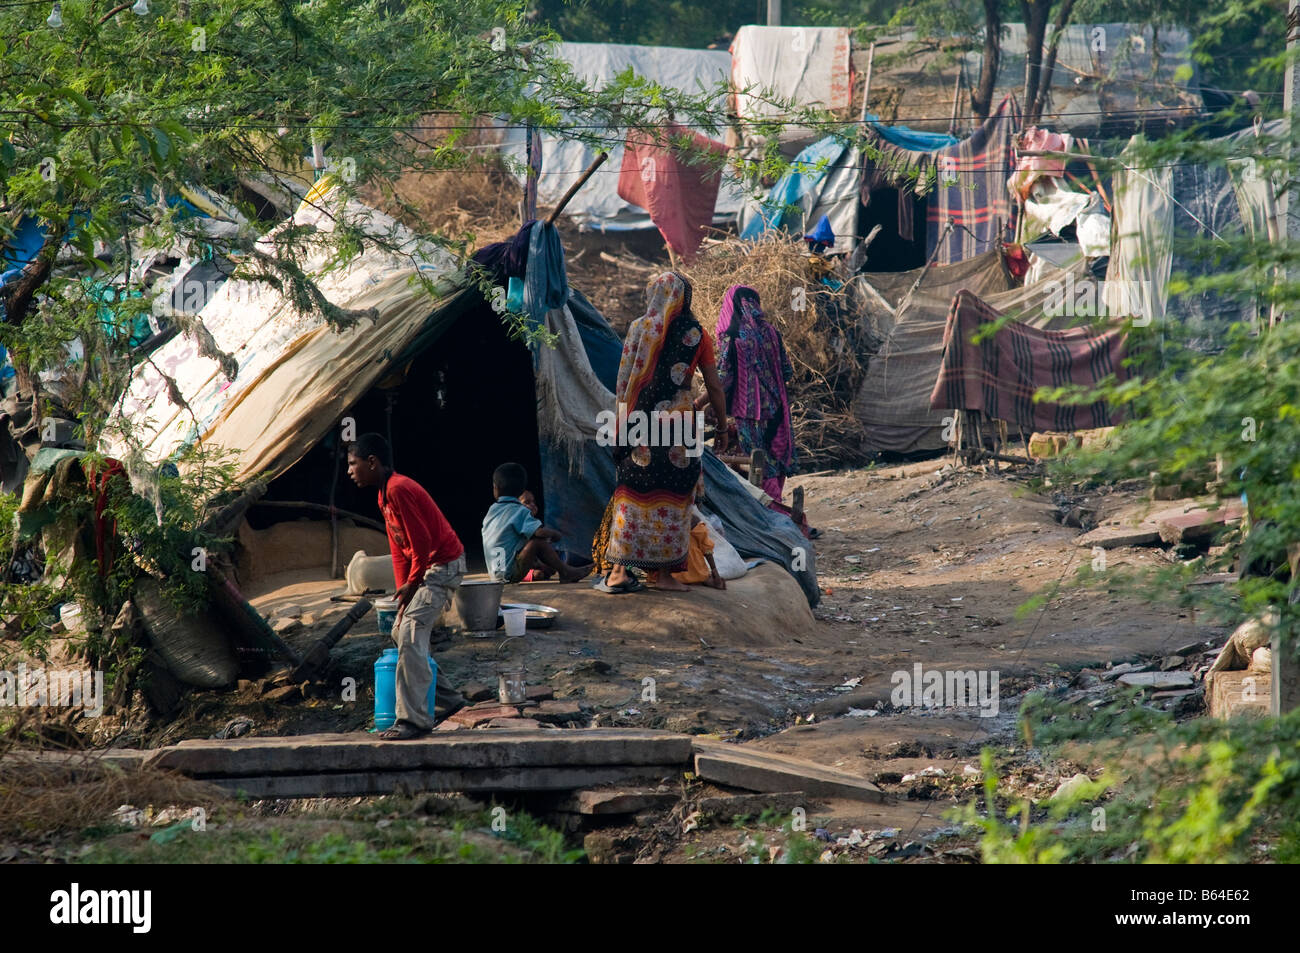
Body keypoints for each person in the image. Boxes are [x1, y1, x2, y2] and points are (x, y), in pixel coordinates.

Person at [596, 271, 730, 593]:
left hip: (638, 424)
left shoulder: (638, 329)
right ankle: (664, 576)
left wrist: (622, 425)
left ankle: (618, 571)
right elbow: (714, 385)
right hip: (678, 425)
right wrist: (722, 427)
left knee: (632, 491)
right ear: (686, 297)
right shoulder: (698, 335)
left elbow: (625, 382)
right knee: (674, 494)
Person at [347, 433, 466, 740]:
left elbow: (423, 541)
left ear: (372, 462)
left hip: (443, 566)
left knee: (411, 631)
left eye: (353, 463)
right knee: (400, 630)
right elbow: (400, 549)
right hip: (427, 567)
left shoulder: (399, 489)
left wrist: (413, 582)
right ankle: (449, 699)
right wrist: (404, 591)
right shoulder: (383, 495)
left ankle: (412, 720)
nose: (350, 470)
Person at [709, 284, 797, 502]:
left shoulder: (733, 336)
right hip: (778, 410)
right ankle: (778, 504)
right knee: (775, 458)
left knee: (758, 462)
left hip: (749, 412)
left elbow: (723, 377)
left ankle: (771, 510)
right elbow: (787, 370)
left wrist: (706, 402)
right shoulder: (772, 332)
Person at [481, 462, 589, 584]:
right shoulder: (519, 511)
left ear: (496, 488)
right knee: (537, 543)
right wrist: (554, 534)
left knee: (526, 542)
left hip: (495, 573)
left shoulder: (492, 510)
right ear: (521, 489)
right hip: (509, 574)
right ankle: (566, 572)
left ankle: (553, 569)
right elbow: (540, 532)